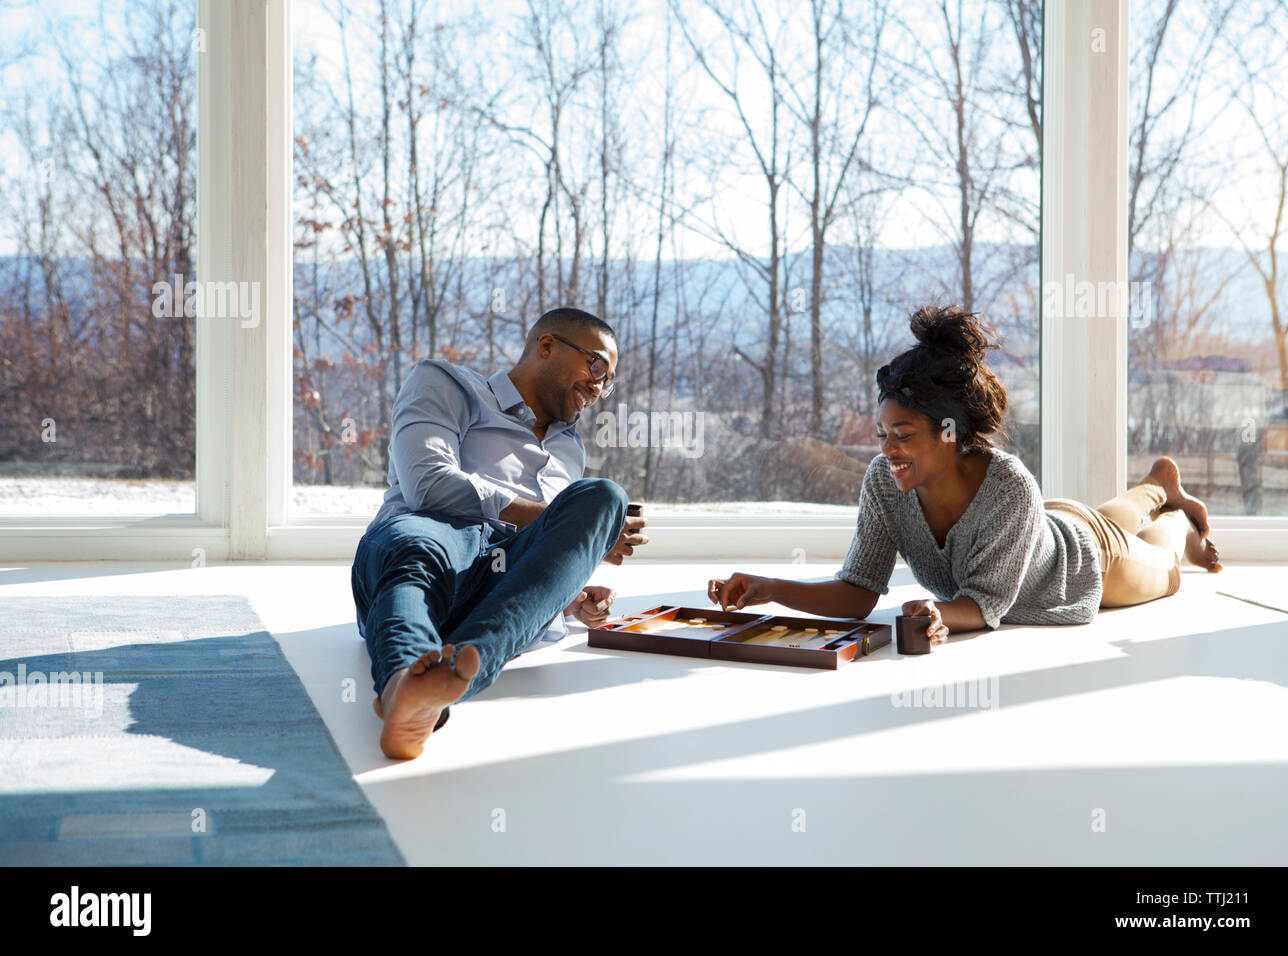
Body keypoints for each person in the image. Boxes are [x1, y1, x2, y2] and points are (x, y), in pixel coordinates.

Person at [707, 305, 1221, 643]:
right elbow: (859, 591)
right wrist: (772, 587)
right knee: (1106, 514)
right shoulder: (886, 483)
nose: (887, 450)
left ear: (949, 433)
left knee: (1166, 568)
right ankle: (1158, 482)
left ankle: (1176, 516)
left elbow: (981, 605)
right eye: (882, 433)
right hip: (1043, 522)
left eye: (903, 435)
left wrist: (938, 612)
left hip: (1085, 562)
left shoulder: (1009, 485)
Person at [351, 308, 648, 759]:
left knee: (605, 498)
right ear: (547, 346)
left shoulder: (570, 448)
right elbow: (427, 483)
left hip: (498, 580)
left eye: (607, 382)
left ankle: (440, 684)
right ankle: (403, 683)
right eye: (597, 366)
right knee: (418, 549)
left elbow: (532, 548)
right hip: (434, 536)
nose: (598, 387)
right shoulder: (447, 383)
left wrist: (568, 595)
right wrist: (549, 518)